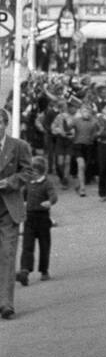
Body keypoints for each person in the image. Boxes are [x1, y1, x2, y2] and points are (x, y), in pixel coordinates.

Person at [0, 109, 34, 319]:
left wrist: (10, 182)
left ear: (5, 124)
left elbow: (28, 172)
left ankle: (6, 303)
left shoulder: (19, 146)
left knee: (8, 255)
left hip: (9, 209)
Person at [18, 153, 57, 284]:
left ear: (40, 171)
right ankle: (25, 270)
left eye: (33, 171)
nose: (31, 173)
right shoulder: (28, 183)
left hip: (42, 218)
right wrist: (21, 203)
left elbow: (53, 196)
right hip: (29, 217)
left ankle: (44, 270)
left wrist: (49, 202)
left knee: (44, 245)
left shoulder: (47, 183)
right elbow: (22, 194)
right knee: (27, 245)